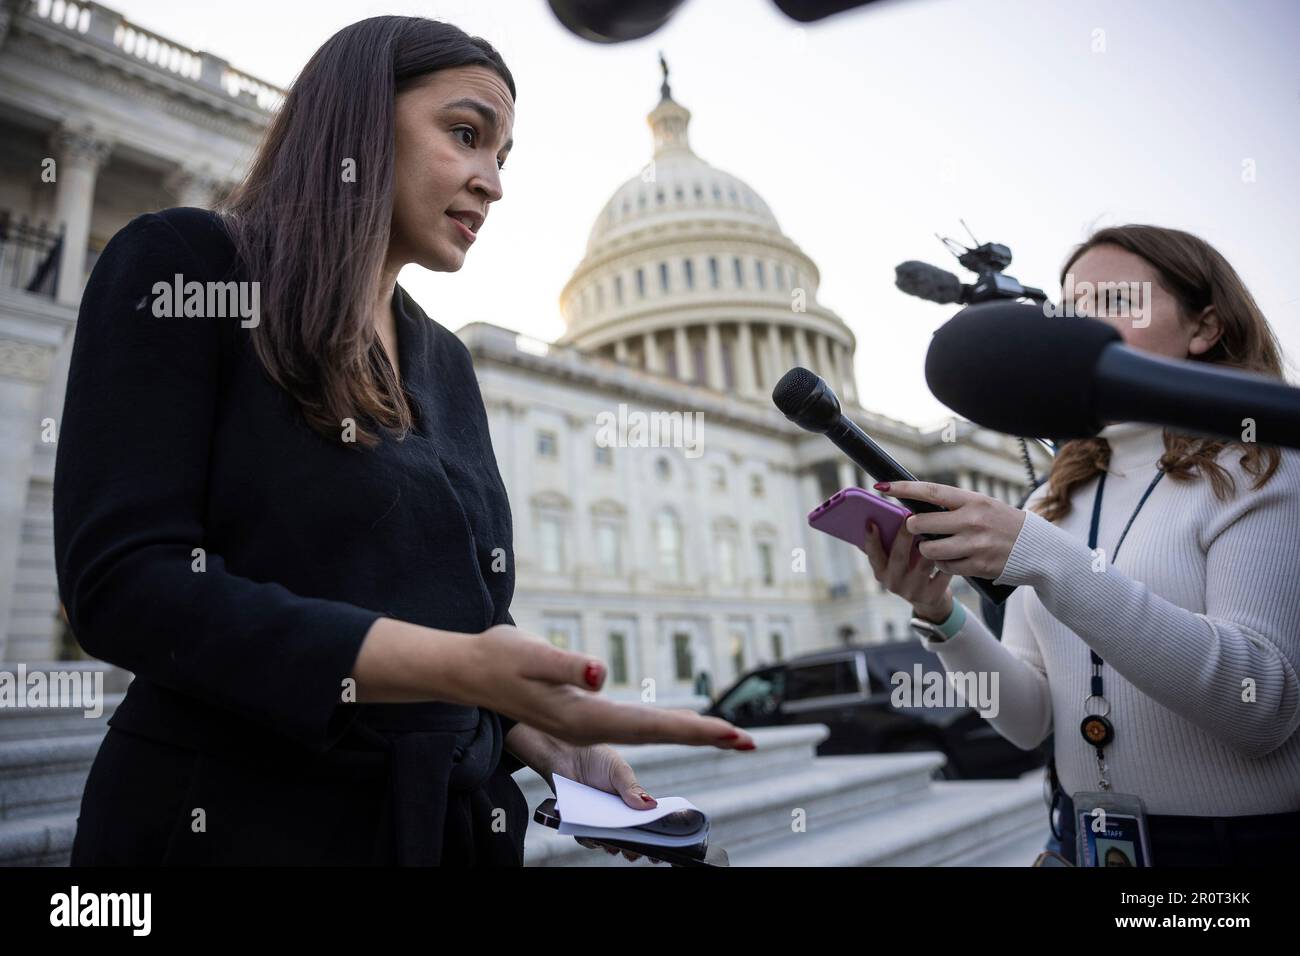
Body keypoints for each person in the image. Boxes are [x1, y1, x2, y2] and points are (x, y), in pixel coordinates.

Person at [53, 16, 753, 868]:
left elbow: (473, 619)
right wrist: (458, 669)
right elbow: (123, 587)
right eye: (466, 134)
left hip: (450, 832)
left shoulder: (447, 361)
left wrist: (553, 741)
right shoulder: (187, 264)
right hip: (234, 824)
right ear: (356, 123)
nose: (491, 182)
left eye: (503, 157)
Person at [859, 224, 1300, 866]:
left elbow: (1256, 706)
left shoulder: (1262, 461)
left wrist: (1043, 557)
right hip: (1077, 844)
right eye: (1071, 314)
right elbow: (1030, 720)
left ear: (1205, 328)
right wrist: (941, 615)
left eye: (1117, 304)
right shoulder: (1051, 498)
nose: (1082, 331)